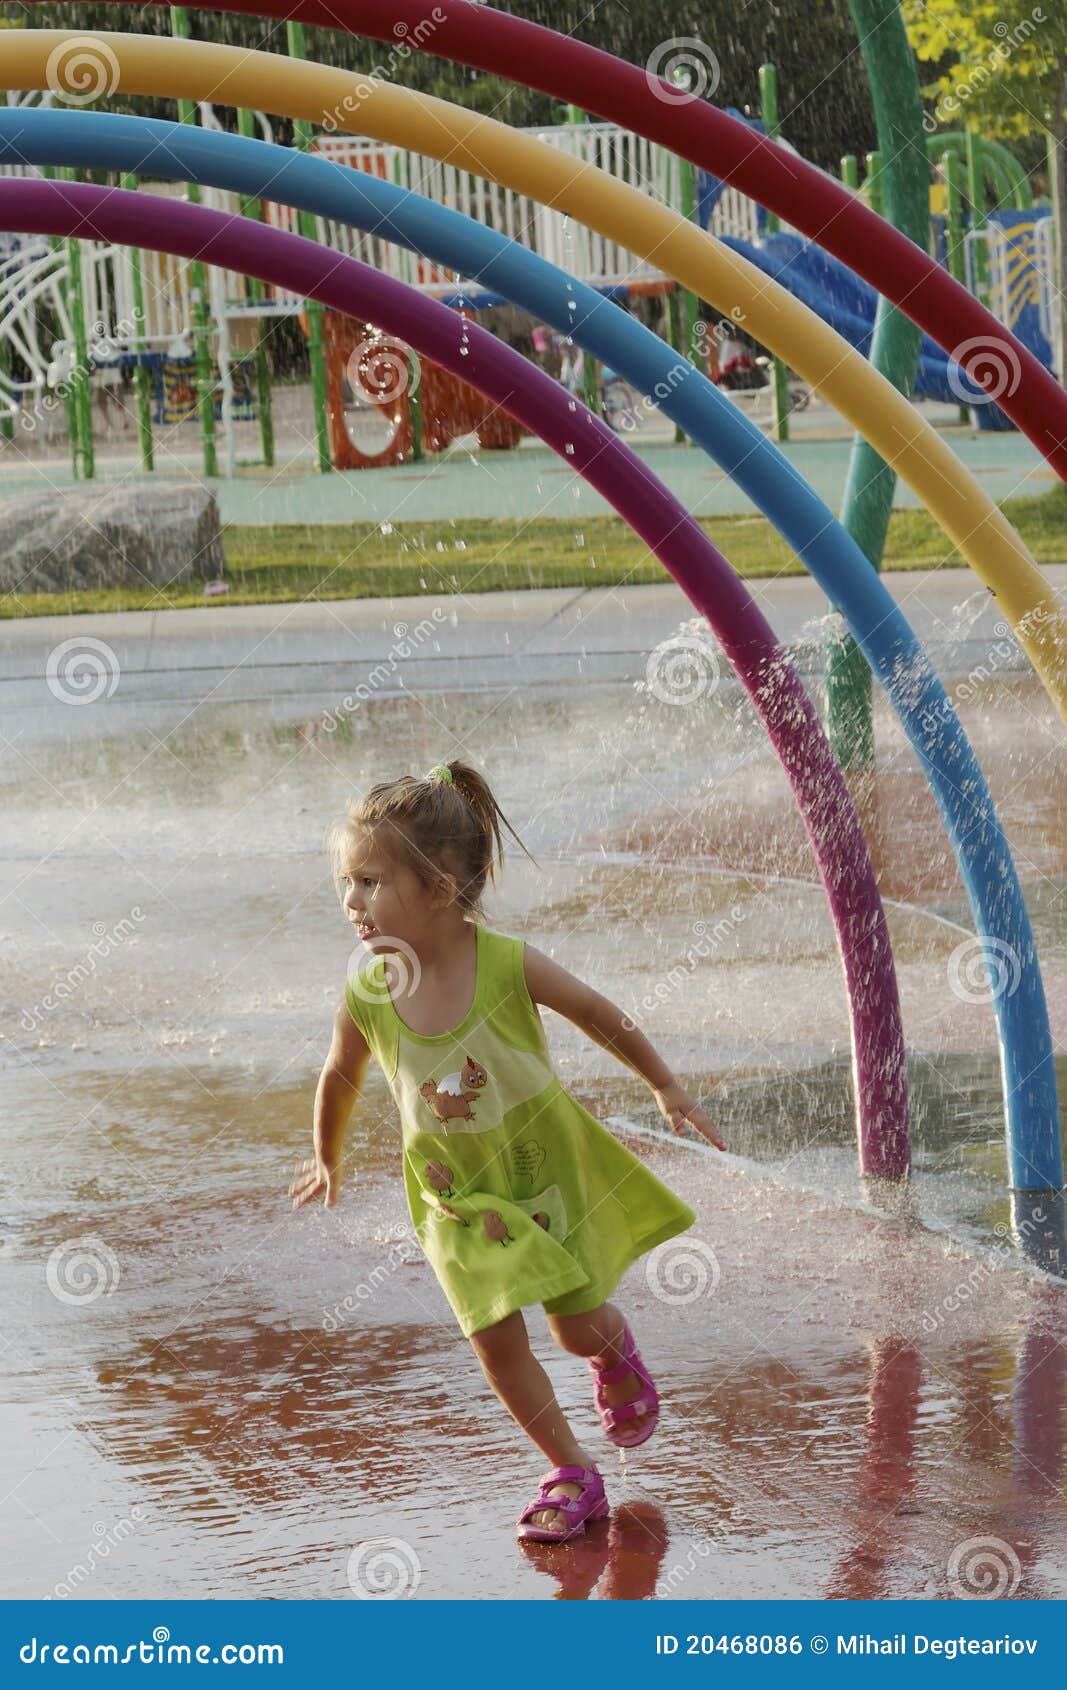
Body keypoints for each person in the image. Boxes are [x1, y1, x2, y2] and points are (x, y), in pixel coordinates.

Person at [289, 760, 726, 1545]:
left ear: (438, 888)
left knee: (571, 1327)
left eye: (369, 882)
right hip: (454, 1194)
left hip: (541, 1171)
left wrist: (664, 1085)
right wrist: (326, 1155)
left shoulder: (505, 963)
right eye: (346, 882)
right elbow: (341, 1073)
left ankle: (611, 1351)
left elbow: (595, 1011)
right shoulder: (368, 990)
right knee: (492, 1333)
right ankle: (571, 1470)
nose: (350, 901)